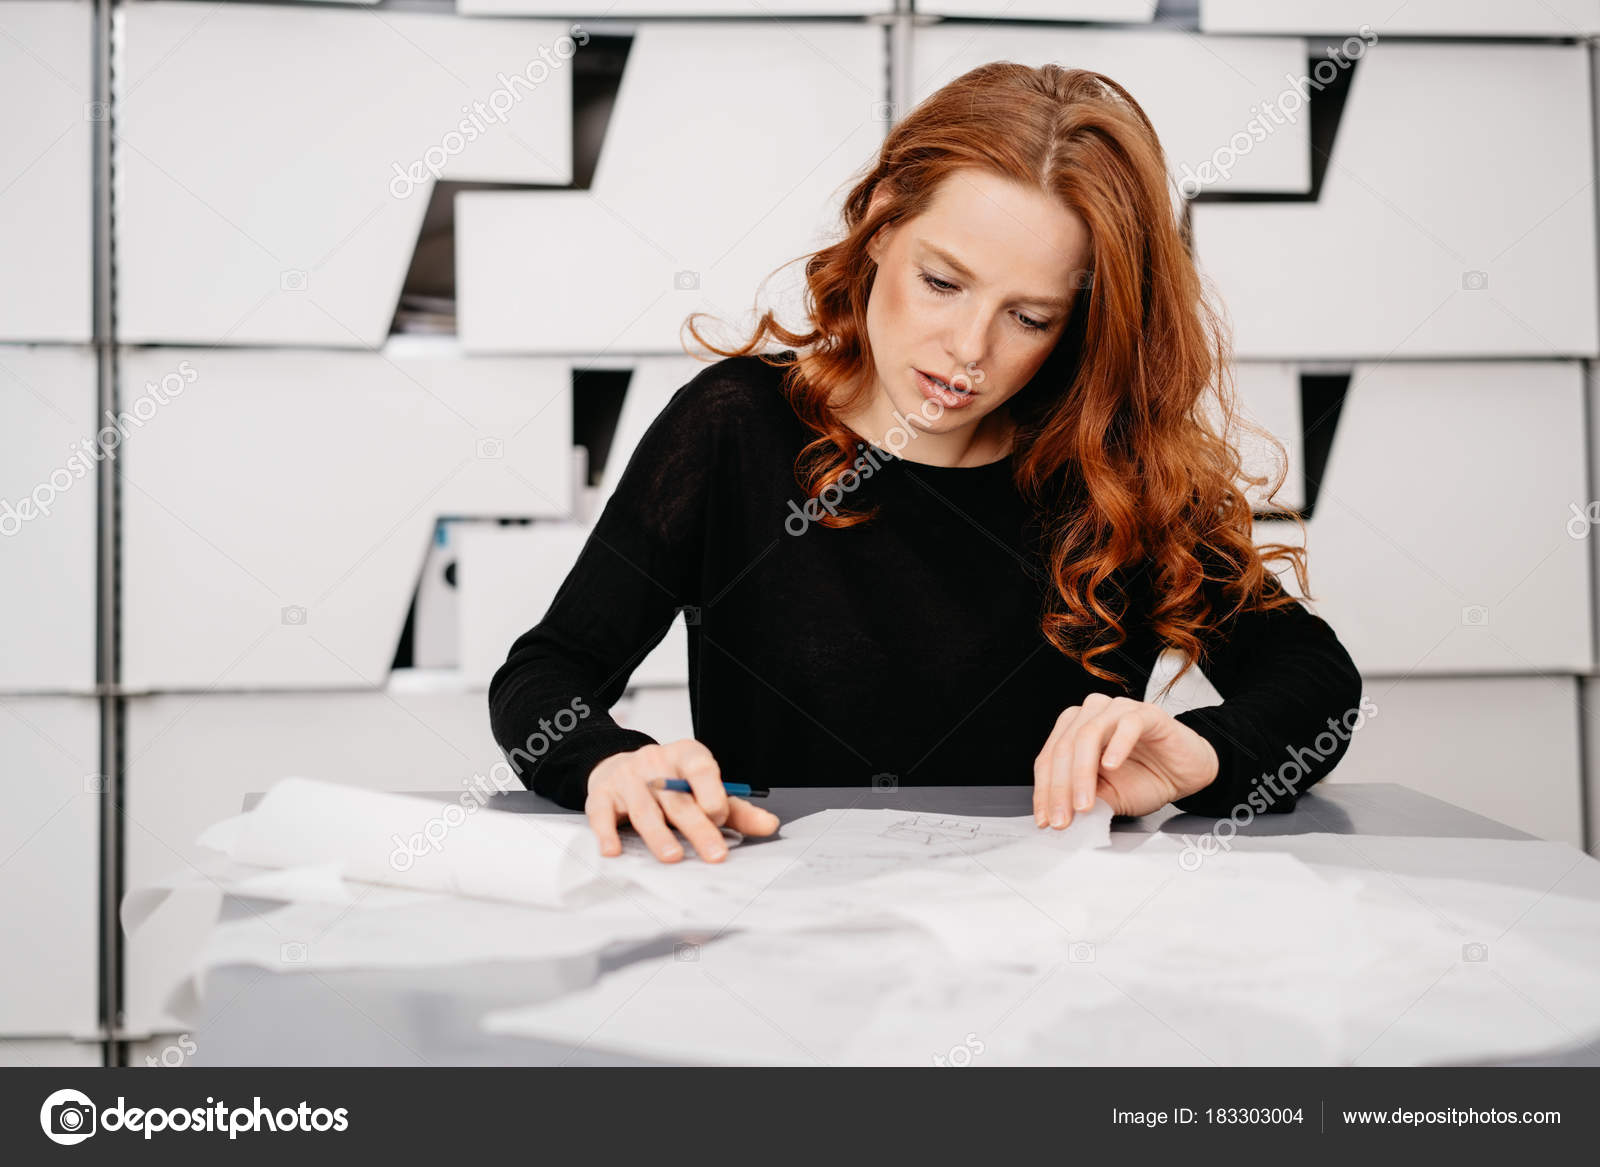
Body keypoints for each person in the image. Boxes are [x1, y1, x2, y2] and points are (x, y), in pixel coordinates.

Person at [488, 62, 1364, 864]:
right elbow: (546, 674)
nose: (967, 350)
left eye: (1030, 317)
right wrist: (609, 761)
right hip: (782, 947)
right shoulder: (734, 426)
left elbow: (1316, 682)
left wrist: (1202, 754)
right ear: (879, 227)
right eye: (943, 282)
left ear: (1081, 326)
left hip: (1044, 958)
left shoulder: (1112, 471)